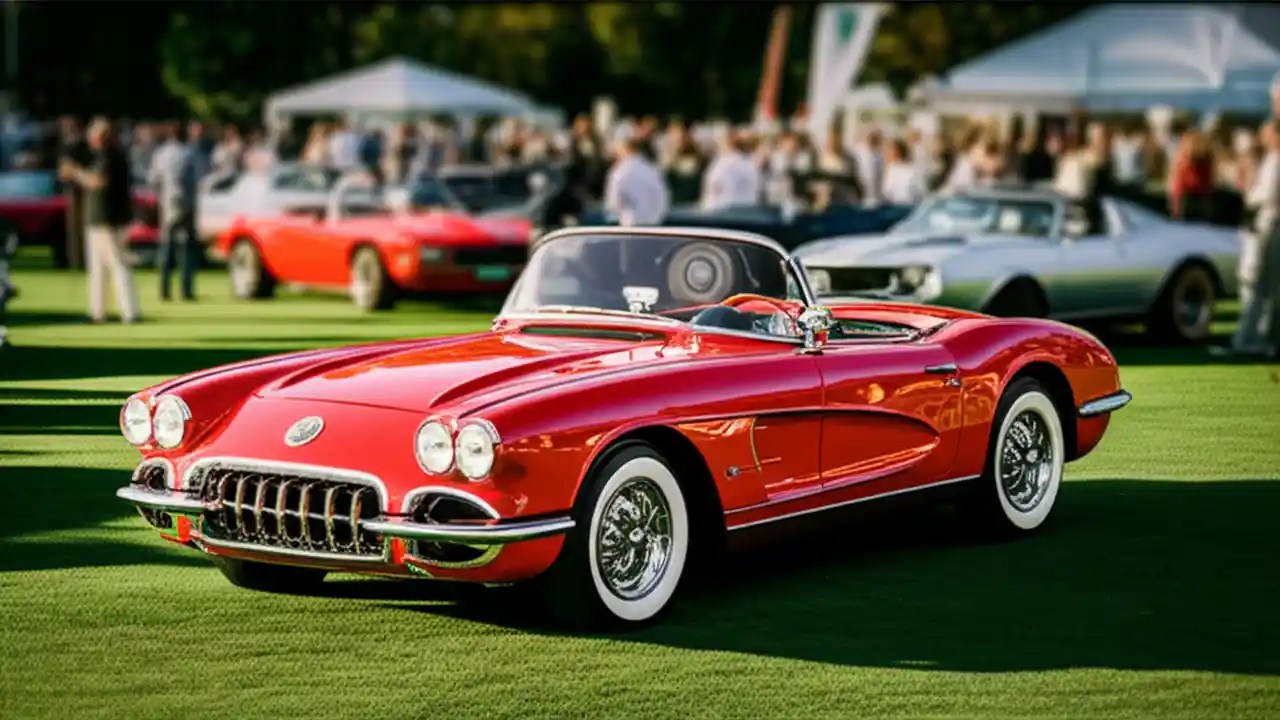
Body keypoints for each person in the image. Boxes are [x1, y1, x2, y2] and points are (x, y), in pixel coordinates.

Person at [61, 117, 139, 323]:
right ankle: (98, 312)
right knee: (98, 269)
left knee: (117, 265)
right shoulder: (103, 157)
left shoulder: (110, 157)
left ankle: (130, 312)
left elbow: (97, 181)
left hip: (108, 219)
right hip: (97, 218)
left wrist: (75, 172)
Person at [1220, 119, 1280, 359]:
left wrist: (1249, 195)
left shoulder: (1275, 160)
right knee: (1263, 286)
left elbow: (1266, 194)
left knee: (1260, 285)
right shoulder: (1271, 159)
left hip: (1270, 224)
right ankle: (1258, 338)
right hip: (1267, 224)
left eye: (1267, 134)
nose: (1262, 138)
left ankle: (1251, 339)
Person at [149, 121, 198, 302]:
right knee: (186, 248)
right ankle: (186, 290)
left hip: (168, 202)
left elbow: (154, 178)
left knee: (166, 246)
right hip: (188, 203)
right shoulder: (190, 152)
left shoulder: (161, 153)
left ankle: (164, 288)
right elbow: (198, 177)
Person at [603, 136, 669, 226]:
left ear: (625, 149)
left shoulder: (619, 171)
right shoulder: (652, 169)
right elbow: (663, 197)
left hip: (631, 225)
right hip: (654, 224)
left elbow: (613, 203)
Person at [56, 116, 91, 269]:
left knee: (81, 226)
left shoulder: (78, 145)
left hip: (81, 190)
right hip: (73, 189)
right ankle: (76, 259)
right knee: (74, 227)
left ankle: (79, 259)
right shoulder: (68, 145)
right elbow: (63, 170)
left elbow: (66, 169)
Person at [701, 130, 764, 211]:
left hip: (724, 211)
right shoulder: (749, 163)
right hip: (745, 210)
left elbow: (715, 189)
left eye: (722, 141)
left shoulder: (726, 163)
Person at [1169, 129, 1215, 222]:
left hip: (1199, 195)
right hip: (1187, 196)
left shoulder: (1205, 160)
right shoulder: (1182, 160)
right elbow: (1177, 184)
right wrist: (1176, 206)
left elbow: (1208, 182)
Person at [881, 138, 925, 206]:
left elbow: (919, 192)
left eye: (892, 151)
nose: (888, 154)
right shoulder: (891, 169)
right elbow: (887, 192)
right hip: (894, 207)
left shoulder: (913, 169)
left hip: (909, 207)